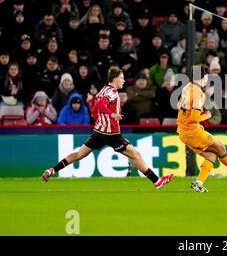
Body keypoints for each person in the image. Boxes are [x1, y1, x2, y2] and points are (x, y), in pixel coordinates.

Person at [42, 69, 174, 190]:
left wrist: (99, 120)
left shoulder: (103, 90)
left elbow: (94, 109)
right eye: (122, 78)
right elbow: (100, 104)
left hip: (98, 132)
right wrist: (112, 115)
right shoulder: (112, 92)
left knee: (78, 155)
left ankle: (52, 170)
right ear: (115, 79)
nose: (123, 80)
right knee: (135, 155)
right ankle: (157, 182)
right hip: (111, 134)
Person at [177, 64, 227, 193]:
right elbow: (194, 117)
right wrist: (207, 114)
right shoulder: (198, 93)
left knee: (211, 155)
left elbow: (179, 105)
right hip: (192, 131)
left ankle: (198, 183)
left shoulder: (186, 87)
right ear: (204, 77)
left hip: (183, 131)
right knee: (221, 148)